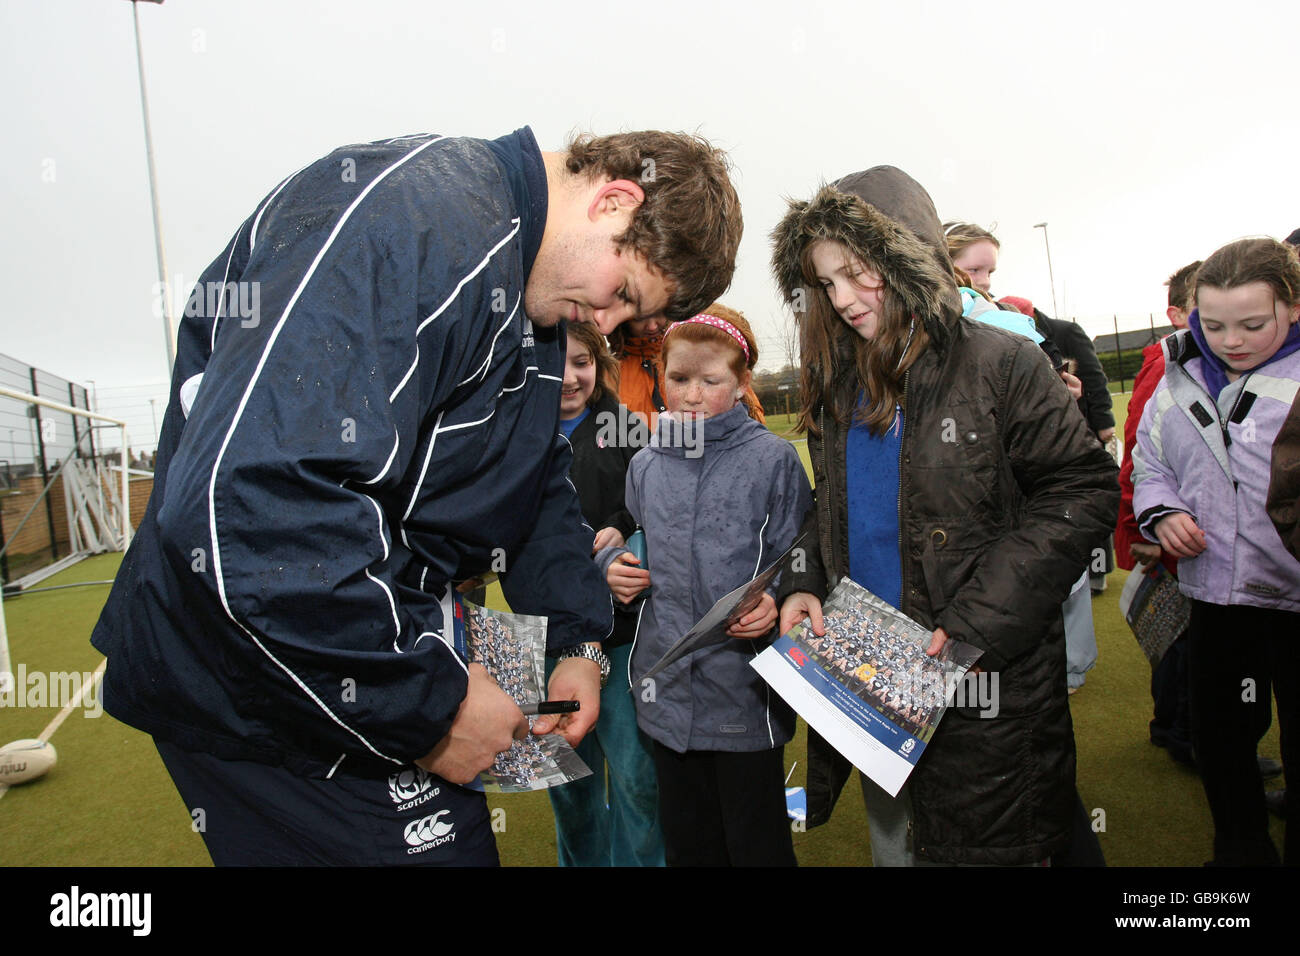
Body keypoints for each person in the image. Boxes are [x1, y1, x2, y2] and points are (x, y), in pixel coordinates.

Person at [89, 127, 742, 865]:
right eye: (621, 293)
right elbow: (256, 504)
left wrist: (576, 637)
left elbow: (531, 477)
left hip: (369, 659)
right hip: (255, 681)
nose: (605, 321)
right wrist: (435, 709)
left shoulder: (531, 291)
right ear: (614, 200)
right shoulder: (420, 220)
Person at [771, 166, 1119, 866]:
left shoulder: (1004, 363)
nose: (841, 299)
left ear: (908, 256)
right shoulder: (839, 386)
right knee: (897, 844)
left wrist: (974, 623)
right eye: (825, 283)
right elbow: (827, 511)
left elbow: (1082, 490)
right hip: (872, 675)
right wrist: (802, 580)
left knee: (995, 843)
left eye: (856, 272)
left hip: (984, 681)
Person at [599, 305, 811, 866]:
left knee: (755, 846)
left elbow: (804, 557)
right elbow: (629, 536)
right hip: (664, 695)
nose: (692, 395)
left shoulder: (774, 459)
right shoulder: (643, 463)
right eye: (679, 378)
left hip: (743, 691)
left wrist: (777, 601)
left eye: (710, 381)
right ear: (660, 375)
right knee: (689, 846)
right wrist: (614, 565)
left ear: (741, 384)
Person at [1132, 236, 1300, 866]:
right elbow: (1149, 461)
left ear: (1293, 306)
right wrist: (1164, 511)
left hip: (1292, 595)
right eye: (1213, 323)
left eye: (1253, 324)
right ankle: (1241, 852)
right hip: (1215, 593)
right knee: (1219, 735)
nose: (1231, 340)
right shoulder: (1175, 375)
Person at [548, 322, 664, 866]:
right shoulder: (516, 436)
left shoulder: (625, 427)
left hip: (621, 640)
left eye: (582, 362)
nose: (570, 378)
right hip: (546, 642)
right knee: (568, 787)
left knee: (637, 779)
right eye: (557, 363)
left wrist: (621, 529)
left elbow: (650, 511)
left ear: (599, 364)